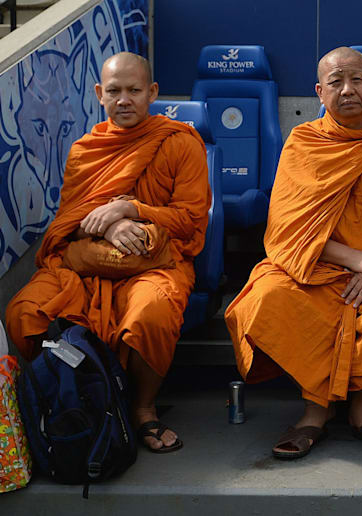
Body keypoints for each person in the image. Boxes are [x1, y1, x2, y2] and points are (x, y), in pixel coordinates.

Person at [225, 47, 362, 459]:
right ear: (319, 92)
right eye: (336, 82)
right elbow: (289, 226)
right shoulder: (304, 142)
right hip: (315, 263)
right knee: (266, 297)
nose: (348, 90)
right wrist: (355, 260)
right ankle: (316, 409)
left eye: (357, 80)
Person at [5, 52, 211, 453]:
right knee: (23, 312)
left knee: (149, 314)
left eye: (134, 91)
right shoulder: (86, 150)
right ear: (99, 94)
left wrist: (130, 208)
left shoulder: (181, 142)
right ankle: (64, 397)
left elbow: (189, 220)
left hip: (153, 264)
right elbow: (68, 222)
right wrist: (112, 225)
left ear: (151, 93)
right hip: (85, 261)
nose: (124, 100)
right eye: (114, 91)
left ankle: (142, 408)